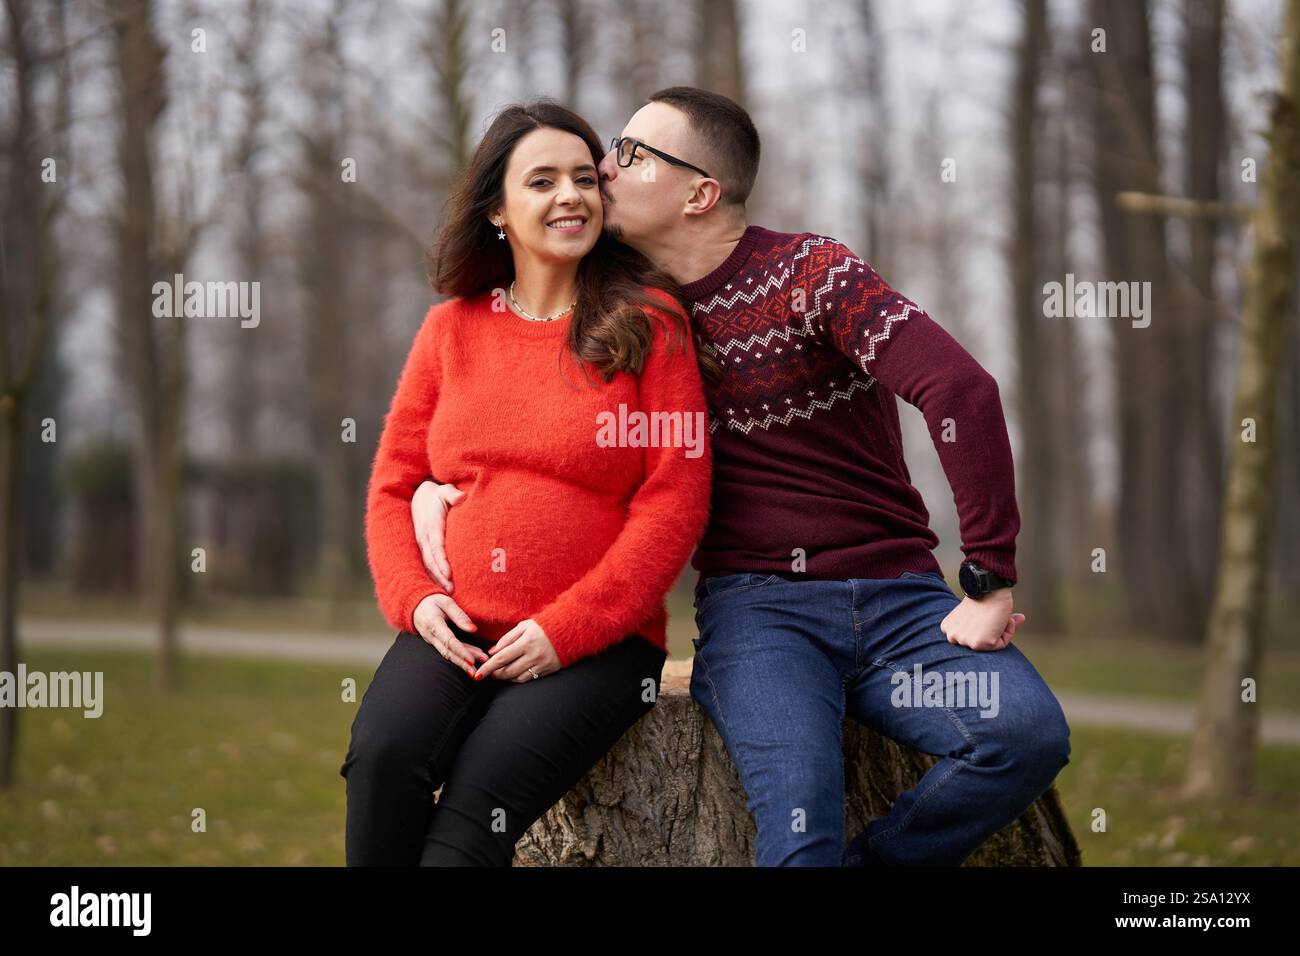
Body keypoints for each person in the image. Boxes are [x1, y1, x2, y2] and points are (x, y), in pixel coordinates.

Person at [413, 87, 1071, 866]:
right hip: (762, 620)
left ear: (700, 192)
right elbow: (517, 410)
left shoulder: (811, 273)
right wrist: (433, 482)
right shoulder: (619, 309)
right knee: (800, 825)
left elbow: (959, 389)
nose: (602, 168)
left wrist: (990, 578)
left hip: (902, 604)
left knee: (1023, 737)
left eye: (630, 154)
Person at [340, 99, 713, 866]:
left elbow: (675, 500)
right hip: (455, 628)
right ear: (498, 212)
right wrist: (416, 600)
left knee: (464, 843)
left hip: (596, 648)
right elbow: (392, 486)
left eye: (584, 177)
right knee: (382, 761)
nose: (569, 195)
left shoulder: (651, 323)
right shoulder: (452, 329)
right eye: (541, 181)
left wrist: (564, 629)